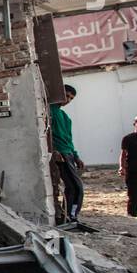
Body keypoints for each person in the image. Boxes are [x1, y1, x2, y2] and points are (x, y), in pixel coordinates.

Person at [50, 84, 84, 223]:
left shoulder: (65, 116)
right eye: (67, 95)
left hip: (69, 154)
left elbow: (69, 139)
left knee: (74, 186)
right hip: (61, 154)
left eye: (71, 98)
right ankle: (71, 215)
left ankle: (70, 215)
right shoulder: (49, 110)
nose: (68, 99)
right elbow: (47, 134)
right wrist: (54, 150)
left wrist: (76, 156)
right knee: (75, 186)